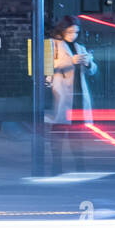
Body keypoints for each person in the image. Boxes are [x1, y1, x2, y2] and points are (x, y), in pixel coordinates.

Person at [46, 14, 98, 173]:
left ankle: (80, 167)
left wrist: (89, 63)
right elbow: (47, 67)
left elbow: (93, 71)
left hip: (79, 95)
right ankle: (56, 166)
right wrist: (71, 61)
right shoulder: (52, 45)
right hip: (61, 94)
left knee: (78, 135)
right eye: (69, 32)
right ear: (62, 30)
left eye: (75, 32)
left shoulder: (80, 47)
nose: (73, 35)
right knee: (59, 133)